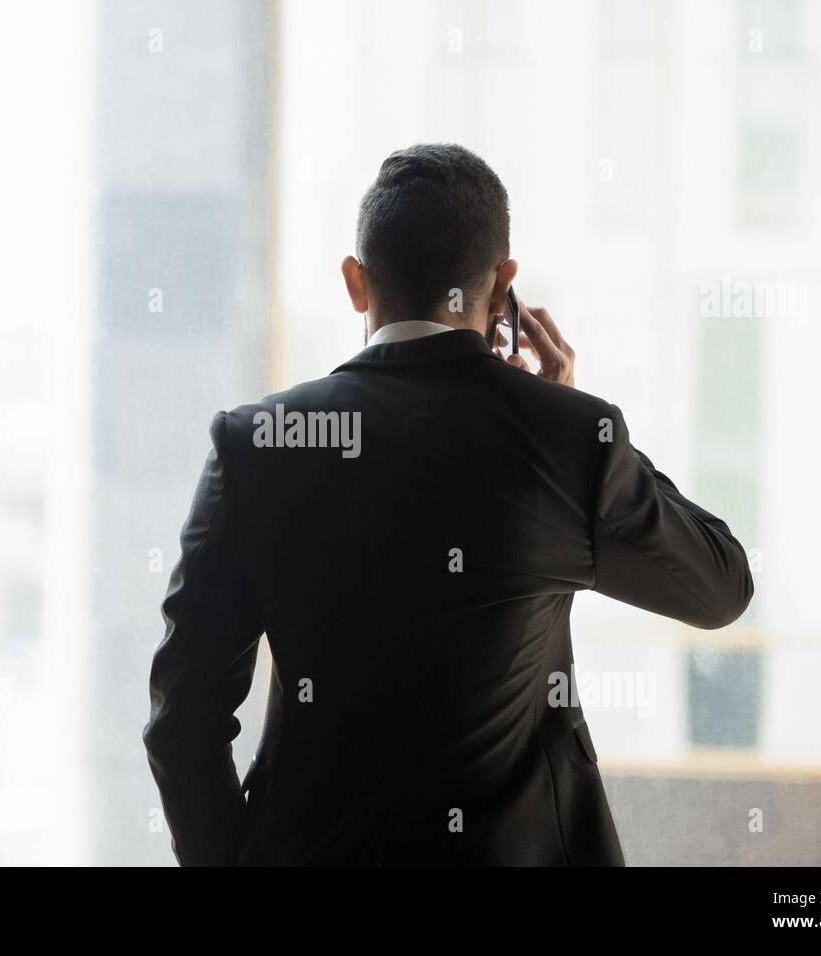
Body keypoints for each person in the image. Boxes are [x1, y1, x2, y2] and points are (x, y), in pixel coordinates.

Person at [143, 144, 754, 866]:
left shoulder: (257, 447)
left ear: (356, 282)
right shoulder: (563, 443)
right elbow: (720, 586)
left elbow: (183, 725)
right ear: (504, 290)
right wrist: (575, 422)